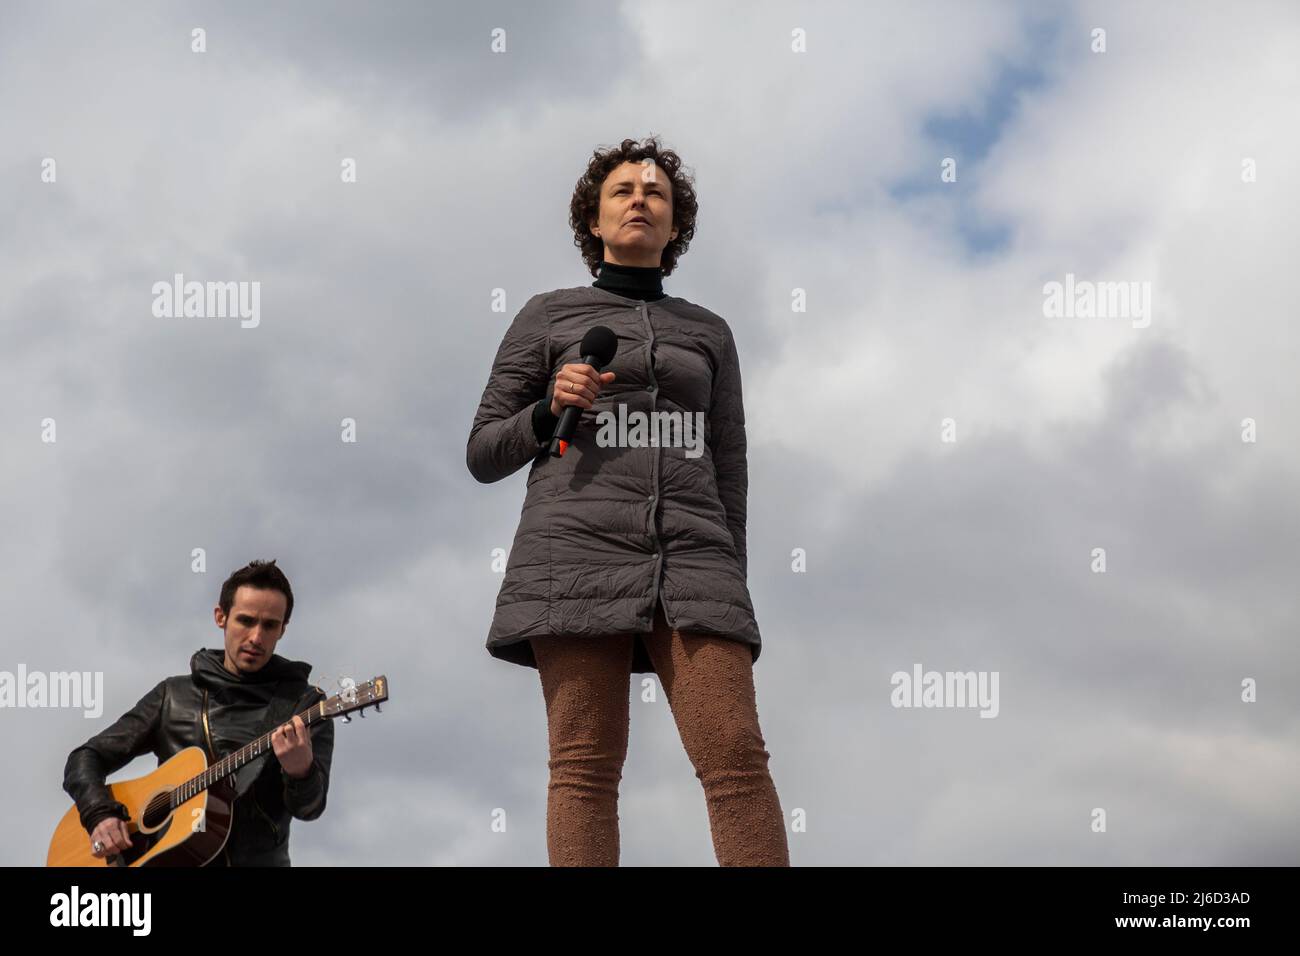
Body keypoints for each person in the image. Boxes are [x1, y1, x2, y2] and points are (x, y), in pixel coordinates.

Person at [467, 135, 789, 866]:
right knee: (583, 768)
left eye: (656, 195)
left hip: (696, 563)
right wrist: (549, 409)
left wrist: (727, 573)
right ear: (594, 219)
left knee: (736, 757)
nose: (640, 199)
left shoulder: (710, 332)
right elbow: (484, 450)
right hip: (568, 556)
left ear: (675, 228)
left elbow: (729, 464)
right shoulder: (546, 316)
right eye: (623, 191)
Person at [62, 559, 334, 866]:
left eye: (270, 625)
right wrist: (100, 814)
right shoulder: (173, 697)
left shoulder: (303, 706)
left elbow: (309, 809)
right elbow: (84, 759)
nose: (256, 638)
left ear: (283, 629)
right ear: (221, 617)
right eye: (246, 621)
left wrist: (301, 773)